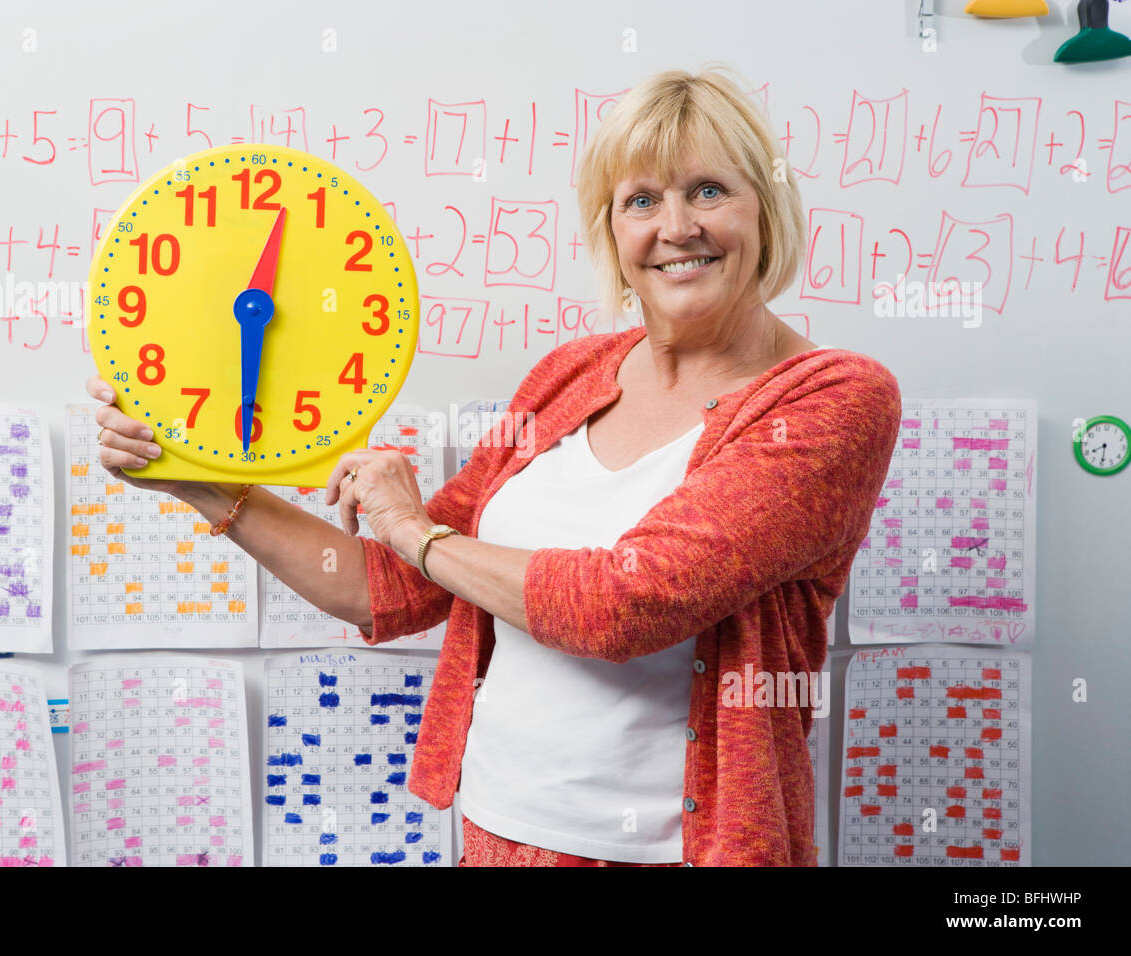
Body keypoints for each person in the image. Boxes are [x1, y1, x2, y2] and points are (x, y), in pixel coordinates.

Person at [89, 65, 902, 866]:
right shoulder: (569, 376)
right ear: (612, 234)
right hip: (499, 831)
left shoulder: (832, 400)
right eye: (642, 201)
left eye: (709, 191)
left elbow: (626, 603)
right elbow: (401, 587)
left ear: (770, 210)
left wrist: (413, 526)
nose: (677, 226)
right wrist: (204, 484)